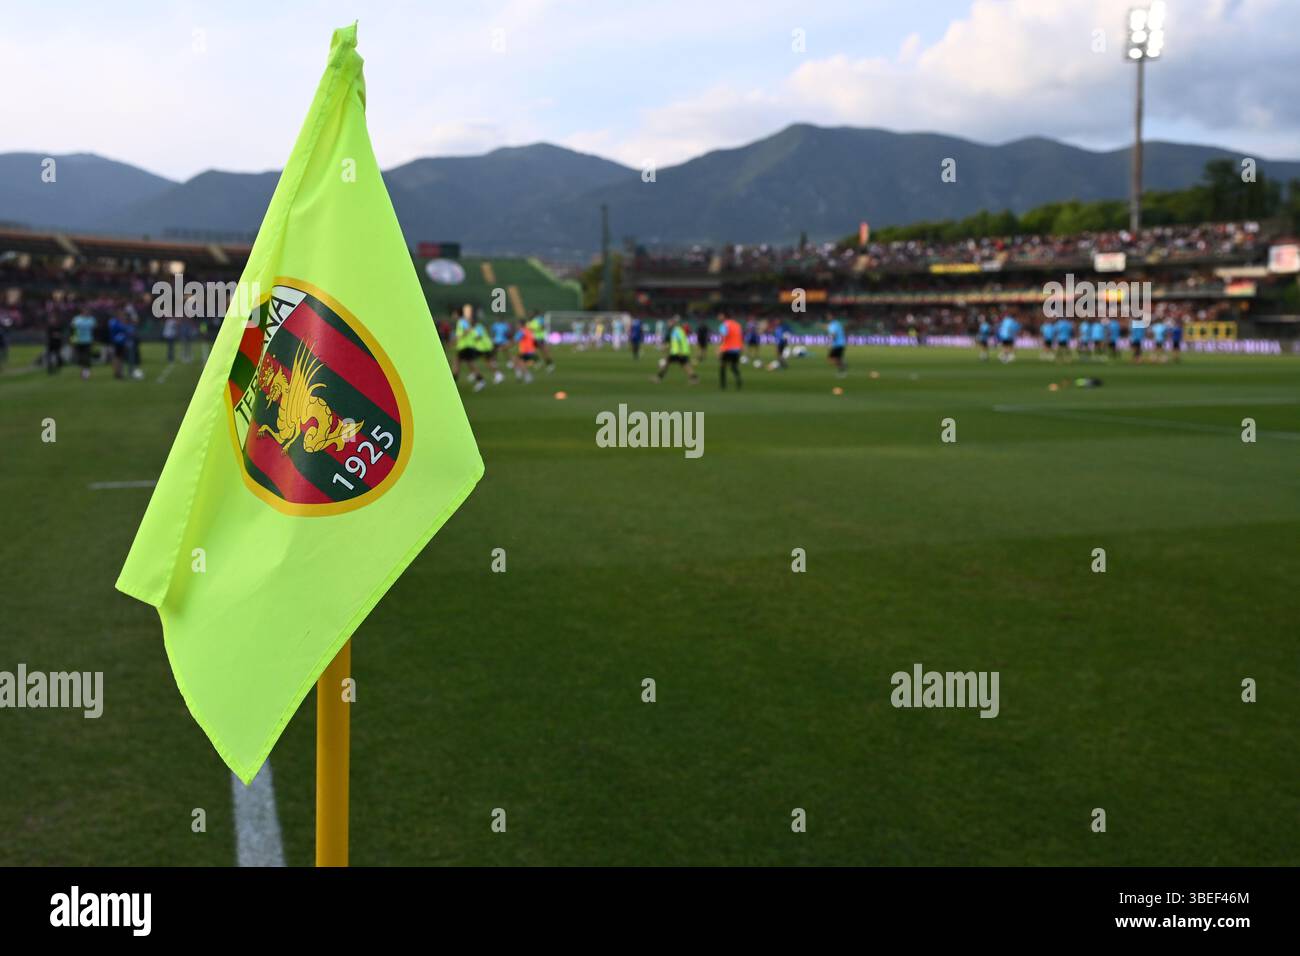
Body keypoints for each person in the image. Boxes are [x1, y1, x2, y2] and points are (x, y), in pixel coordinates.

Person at [653, 317, 699, 385]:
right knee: (685, 366)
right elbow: (675, 342)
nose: (668, 324)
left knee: (667, 363)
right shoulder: (677, 330)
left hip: (678, 352)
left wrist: (665, 348)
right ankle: (694, 379)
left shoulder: (676, 331)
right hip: (679, 352)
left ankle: (658, 378)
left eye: (669, 323)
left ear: (673, 324)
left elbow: (679, 342)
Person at [452, 307, 485, 391]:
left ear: (457, 314)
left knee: (461, 363)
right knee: (465, 363)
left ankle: (480, 380)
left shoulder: (461, 321)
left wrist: (459, 337)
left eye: (454, 313)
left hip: (465, 346)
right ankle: (480, 380)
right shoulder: (462, 321)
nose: (453, 315)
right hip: (465, 346)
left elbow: (468, 329)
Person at [718, 312, 743, 390]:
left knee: (722, 366)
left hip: (727, 349)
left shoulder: (724, 325)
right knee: (733, 366)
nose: (718, 317)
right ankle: (738, 379)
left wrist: (719, 350)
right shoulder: (737, 325)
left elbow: (723, 337)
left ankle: (723, 385)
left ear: (724, 317)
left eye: (720, 316)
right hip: (737, 349)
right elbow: (740, 336)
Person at [70, 310, 96, 379]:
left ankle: (86, 372)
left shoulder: (91, 320)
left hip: (87, 341)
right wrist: (72, 339)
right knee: (80, 358)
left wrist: (93, 340)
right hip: (78, 341)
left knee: (86, 357)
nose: (86, 313)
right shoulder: (76, 319)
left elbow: (93, 330)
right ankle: (83, 371)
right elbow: (72, 330)